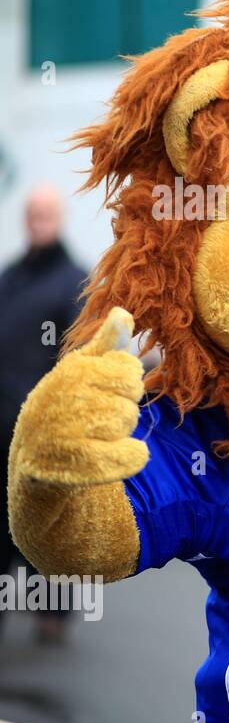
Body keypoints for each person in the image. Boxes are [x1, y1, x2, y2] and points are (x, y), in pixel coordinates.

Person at [0, 184, 87, 645]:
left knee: (43, 525)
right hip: (0, 425)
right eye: (32, 214)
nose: (37, 222)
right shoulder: (10, 276)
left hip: (38, 428)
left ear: (59, 220)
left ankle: (53, 614)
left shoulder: (73, 279)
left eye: (46, 214)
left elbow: (74, 355)